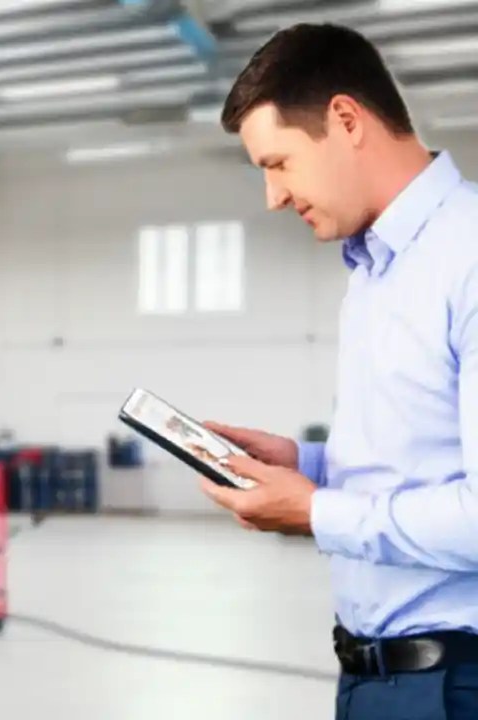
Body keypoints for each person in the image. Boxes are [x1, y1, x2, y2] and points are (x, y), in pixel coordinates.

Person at [203, 23, 478, 718]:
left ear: (346, 120)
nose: (272, 195)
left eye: (278, 163)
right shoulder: (374, 269)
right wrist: (307, 463)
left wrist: (315, 511)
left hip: (452, 685)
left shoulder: (467, 256)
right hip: (372, 677)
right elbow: (417, 458)